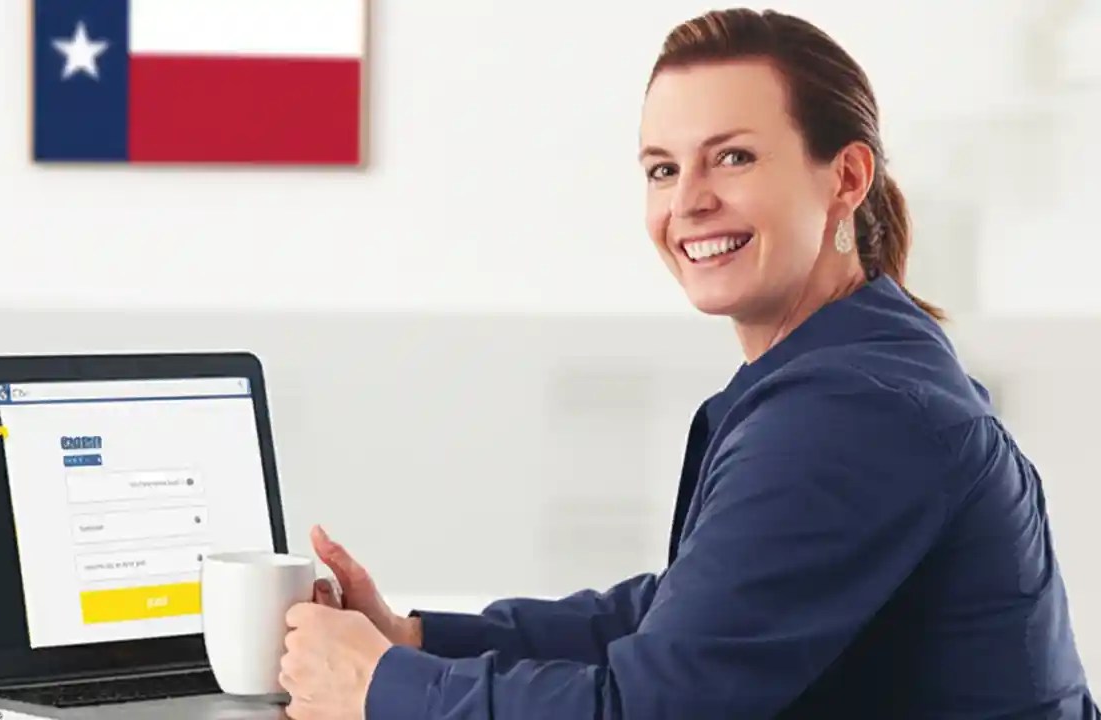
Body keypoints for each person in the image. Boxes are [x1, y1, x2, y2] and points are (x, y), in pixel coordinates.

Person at [275, 8, 1099, 719]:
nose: (687, 201)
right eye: (663, 169)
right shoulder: (853, 369)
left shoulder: (851, 410)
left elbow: (654, 706)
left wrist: (378, 688)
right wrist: (416, 639)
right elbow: (685, 614)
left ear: (846, 177)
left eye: (733, 157)